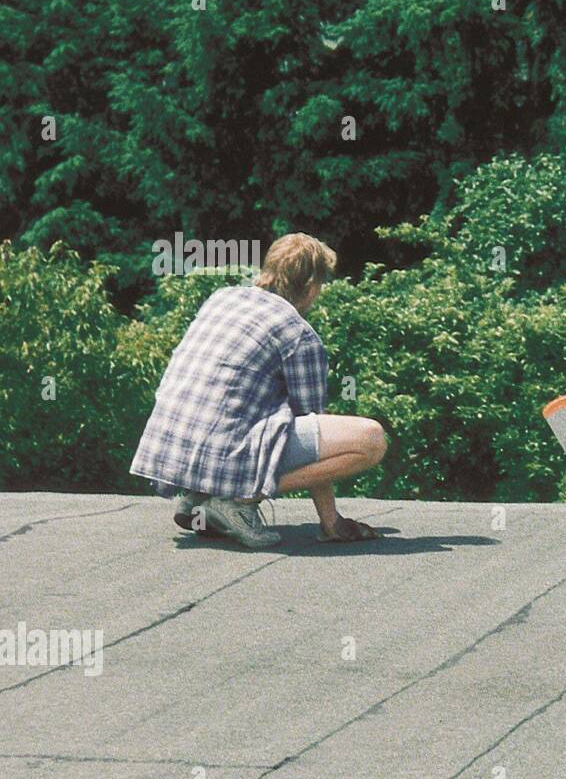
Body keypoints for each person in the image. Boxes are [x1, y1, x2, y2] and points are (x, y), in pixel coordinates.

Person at [130, 233, 385, 548]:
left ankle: (201, 497)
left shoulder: (221, 298)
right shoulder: (299, 335)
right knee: (370, 440)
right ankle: (238, 499)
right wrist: (331, 520)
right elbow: (313, 423)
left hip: (173, 455)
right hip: (225, 453)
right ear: (310, 286)